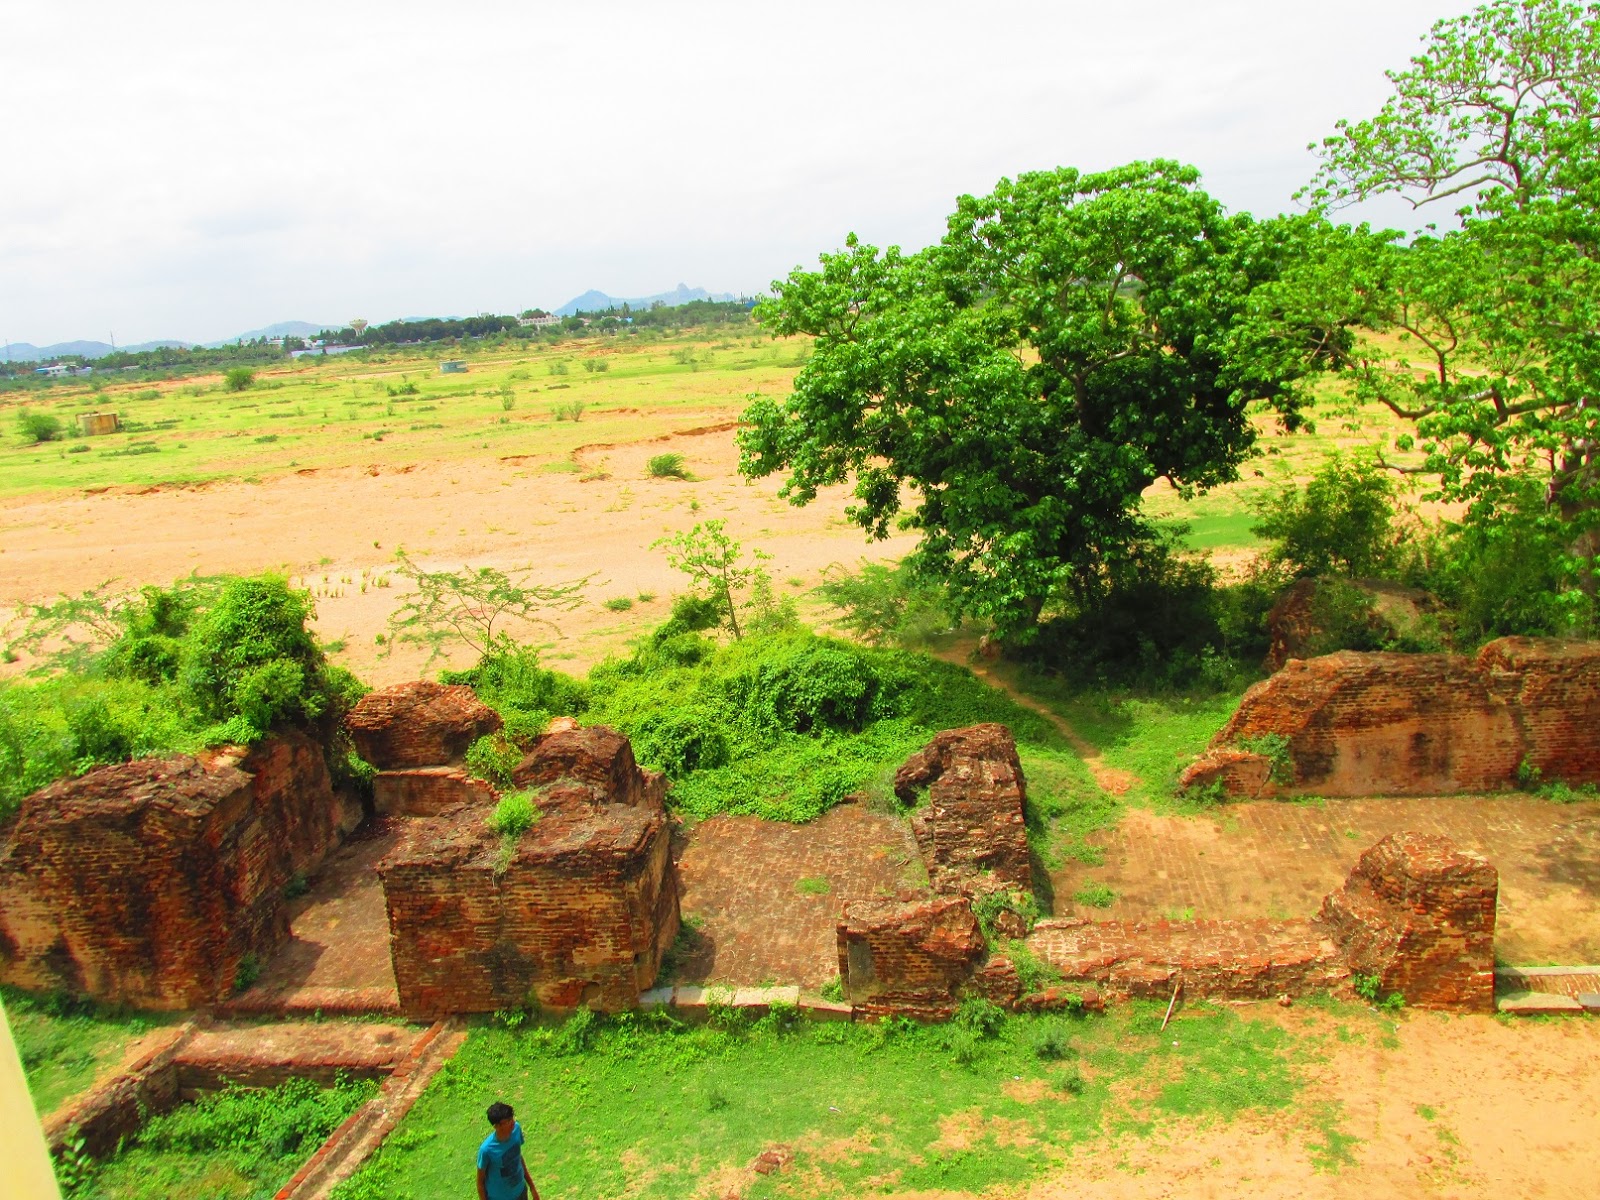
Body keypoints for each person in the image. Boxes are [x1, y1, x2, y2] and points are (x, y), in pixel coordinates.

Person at [477, 1100, 539, 1200]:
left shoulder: (516, 1129)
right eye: (509, 1121)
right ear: (497, 1126)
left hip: (521, 1193)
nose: (513, 1122)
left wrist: (532, 1187)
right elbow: (480, 1183)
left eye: (512, 1118)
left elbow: (518, 1157)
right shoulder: (486, 1150)